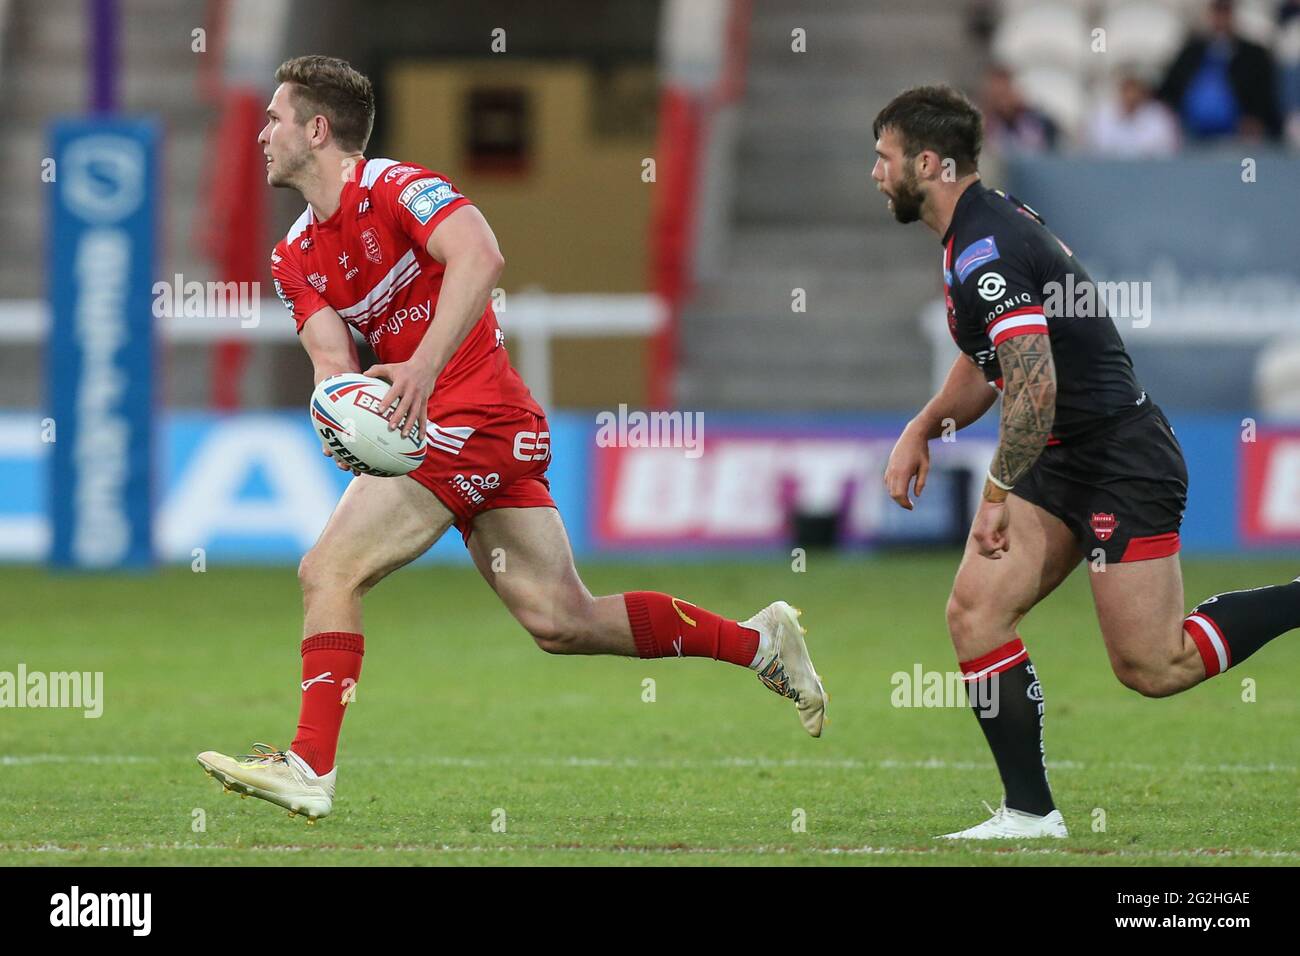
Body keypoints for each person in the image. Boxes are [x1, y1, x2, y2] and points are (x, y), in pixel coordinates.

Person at [196, 55, 826, 822]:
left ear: (317, 130)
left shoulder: (394, 187)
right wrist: (337, 418)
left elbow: (482, 254)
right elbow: (333, 366)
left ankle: (309, 766)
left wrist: (423, 367)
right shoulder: (292, 253)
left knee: (328, 570)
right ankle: (760, 643)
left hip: (472, 416)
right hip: (460, 432)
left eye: (274, 117)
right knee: (562, 620)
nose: (261, 133)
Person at [871, 84, 1300, 839]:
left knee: (1153, 667)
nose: (875, 172)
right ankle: (1030, 813)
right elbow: (987, 365)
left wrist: (997, 492)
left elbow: (1034, 387)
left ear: (929, 164)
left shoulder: (987, 248)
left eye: (885, 157)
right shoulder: (972, 233)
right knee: (976, 613)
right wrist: (925, 424)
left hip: (1116, 458)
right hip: (1061, 454)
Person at [1156, 0, 1282, 142]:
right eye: (1217, 13)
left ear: (1233, 15)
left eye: (1225, 13)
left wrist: (1255, 117)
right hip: (1191, 131)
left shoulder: (1253, 54)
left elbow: (1264, 92)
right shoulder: (1191, 52)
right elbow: (1169, 89)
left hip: (1238, 132)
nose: (1221, 19)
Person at [1083, 71, 1180, 158]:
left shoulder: (1160, 116)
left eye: (1135, 92)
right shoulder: (1102, 115)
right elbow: (1093, 150)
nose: (1131, 97)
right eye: (1127, 92)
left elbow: (1168, 151)